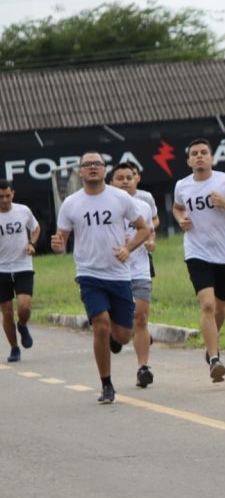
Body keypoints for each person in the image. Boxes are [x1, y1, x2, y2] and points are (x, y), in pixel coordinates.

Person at [51, 152, 151, 404]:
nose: (93, 168)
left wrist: (128, 249)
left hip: (118, 275)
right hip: (89, 274)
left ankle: (117, 341)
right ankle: (106, 383)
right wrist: (56, 244)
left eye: (97, 164)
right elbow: (60, 240)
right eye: (87, 165)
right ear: (81, 172)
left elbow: (144, 228)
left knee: (124, 335)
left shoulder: (120, 198)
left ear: (104, 170)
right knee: (101, 323)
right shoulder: (71, 203)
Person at [172, 139, 225, 383]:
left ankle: (211, 344)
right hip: (196, 251)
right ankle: (214, 359)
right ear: (189, 160)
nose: (199, 156)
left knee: (221, 308)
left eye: (204, 153)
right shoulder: (182, 185)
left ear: (212, 158)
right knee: (208, 305)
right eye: (194, 154)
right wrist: (181, 220)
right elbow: (177, 208)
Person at [110, 163, 156, 387]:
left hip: (139, 270)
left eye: (129, 177)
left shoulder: (143, 207)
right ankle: (114, 332)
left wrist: (148, 243)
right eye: (120, 178)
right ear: (111, 183)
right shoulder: (105, 208)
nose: (126, 181)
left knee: (141, 318)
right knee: (121, 328)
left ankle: (143, 367)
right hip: (112, 271)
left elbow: (149, 233)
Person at [0, 180, 40, 363]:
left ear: (13, 194)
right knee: (7, 310)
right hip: (2, 269)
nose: (5, 200)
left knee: (24, 306)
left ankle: (22, 324)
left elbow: (36, 228)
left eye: (7, 196)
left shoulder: (23, 210)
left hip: (23, 265)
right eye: (1, 197)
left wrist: (32, 243)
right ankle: (14, 348)